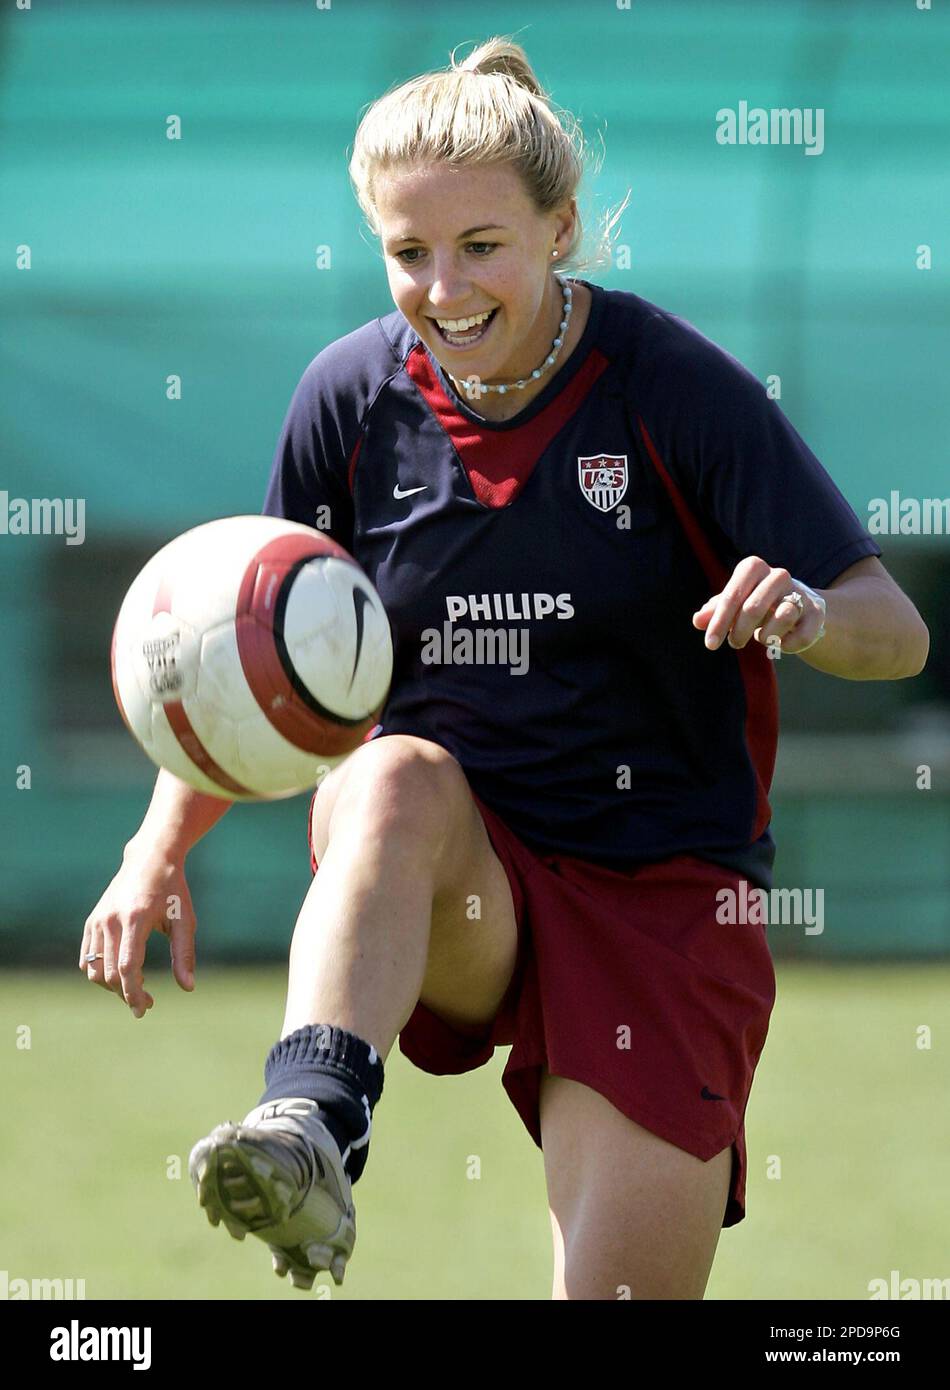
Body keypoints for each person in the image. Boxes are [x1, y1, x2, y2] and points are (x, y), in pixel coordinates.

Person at [80, 37, 929, 1300]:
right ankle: (312, 1124)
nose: (443, 284)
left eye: (480, 244)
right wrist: (158, 845)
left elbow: (892, 627)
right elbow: (251, 659)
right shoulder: (349, 398)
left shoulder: (666, 383)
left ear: (561, 228)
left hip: (663, 895)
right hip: (462, 882)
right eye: (407, 251)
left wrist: (803, 610)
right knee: (388, 779)